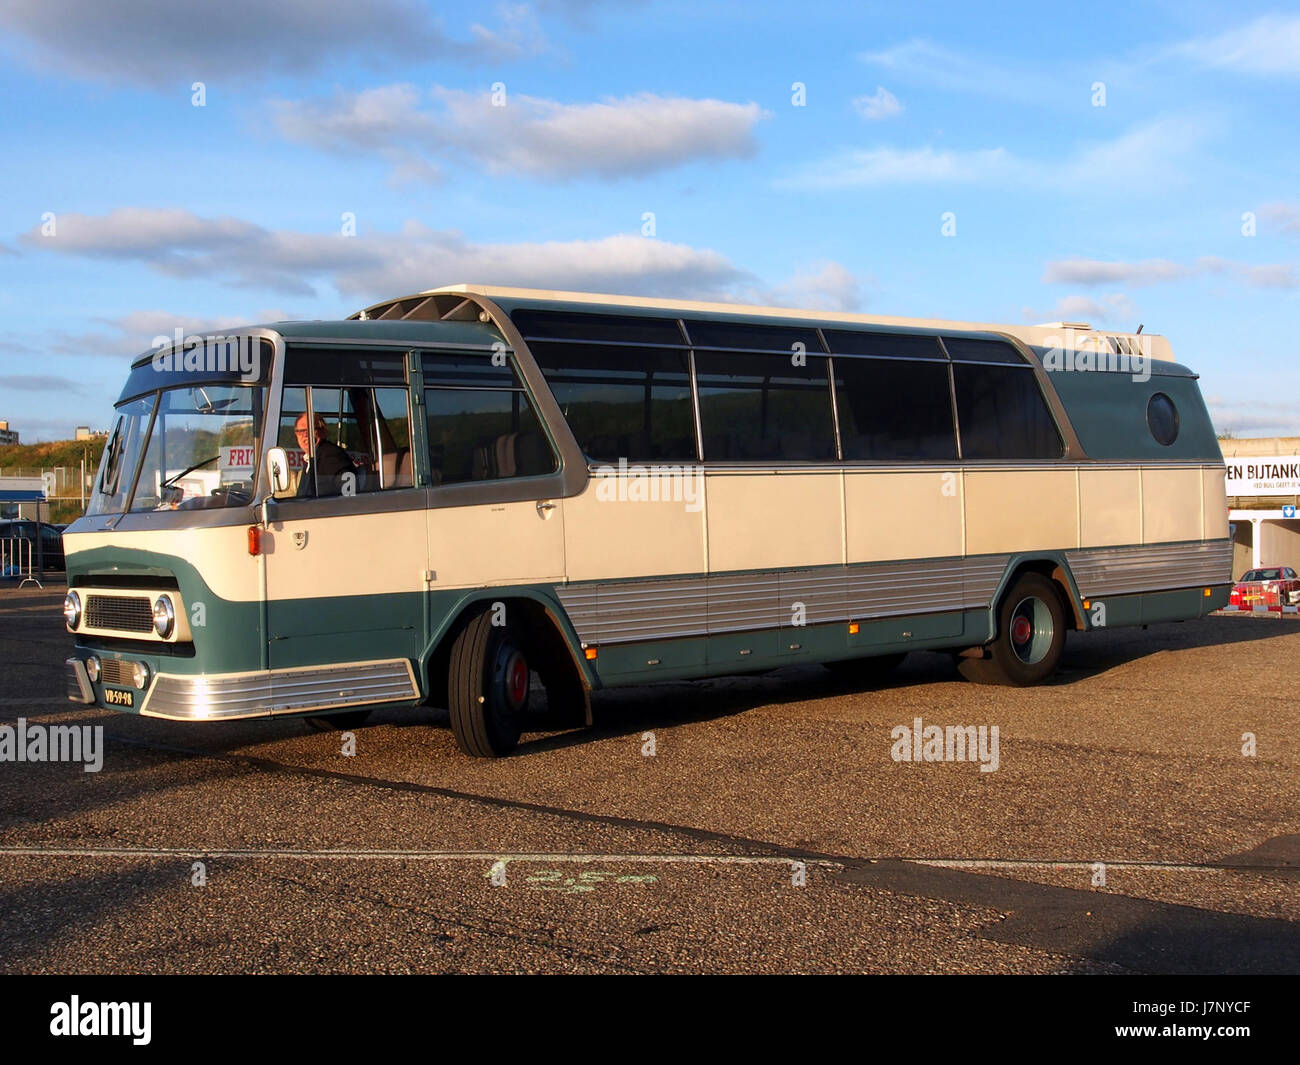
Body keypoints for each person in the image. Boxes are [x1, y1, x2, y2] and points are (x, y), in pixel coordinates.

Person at [294, 414, 356, 497]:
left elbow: (350, 494)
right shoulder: (311, 458)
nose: (305, 435)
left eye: (311, 429)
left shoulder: (331, 455)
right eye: (300, 432)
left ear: (324, 432)